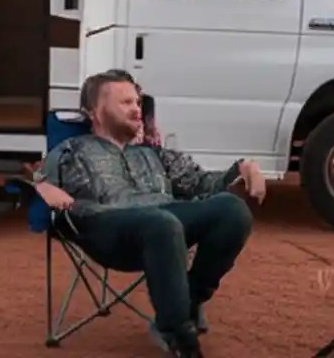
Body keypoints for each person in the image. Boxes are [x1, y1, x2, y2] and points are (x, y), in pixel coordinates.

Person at [32, 69, 268, 357]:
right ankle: (180, 336)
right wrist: (44, 188)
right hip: (104, 227)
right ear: (94, 112)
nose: (136, 110)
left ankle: (188, 304)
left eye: (137, 103)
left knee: (232, 211)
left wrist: (244, 167)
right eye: (125, 103)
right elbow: (33, 179)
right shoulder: (71, 150)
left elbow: (205, 184)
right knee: (161, 222)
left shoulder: (155, 154)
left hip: (165, 222)